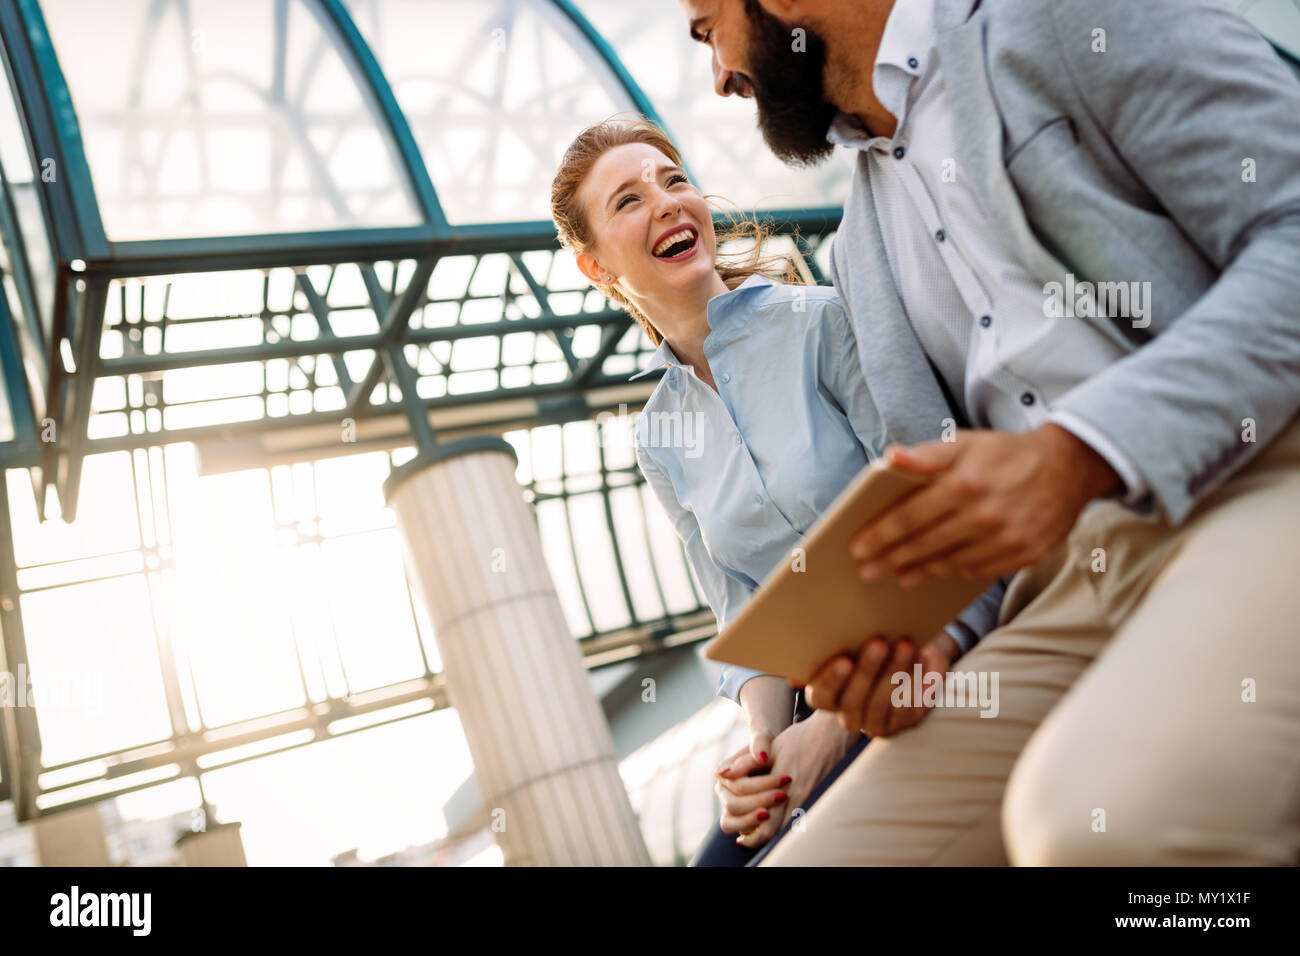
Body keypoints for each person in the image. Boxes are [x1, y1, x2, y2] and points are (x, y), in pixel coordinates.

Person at [682, 0, 1300, 865]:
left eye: (708, 27)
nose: (719, 79)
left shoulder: (1071, 18)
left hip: (1261, 473)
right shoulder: (859, 245)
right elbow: (957, 494)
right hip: (1065, 586)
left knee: (1108, 828)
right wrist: (929, 645)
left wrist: (1080, 452)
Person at [549, 116, 1004, 865]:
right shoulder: (658, 438)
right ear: (595, 267)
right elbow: (739, 615)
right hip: (807, 701)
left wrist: (827, 730)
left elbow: (934, 504)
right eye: (627, 201)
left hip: (924, 648)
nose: (665, 203)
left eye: (672, 180)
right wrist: (764, 744)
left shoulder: (824, 322)